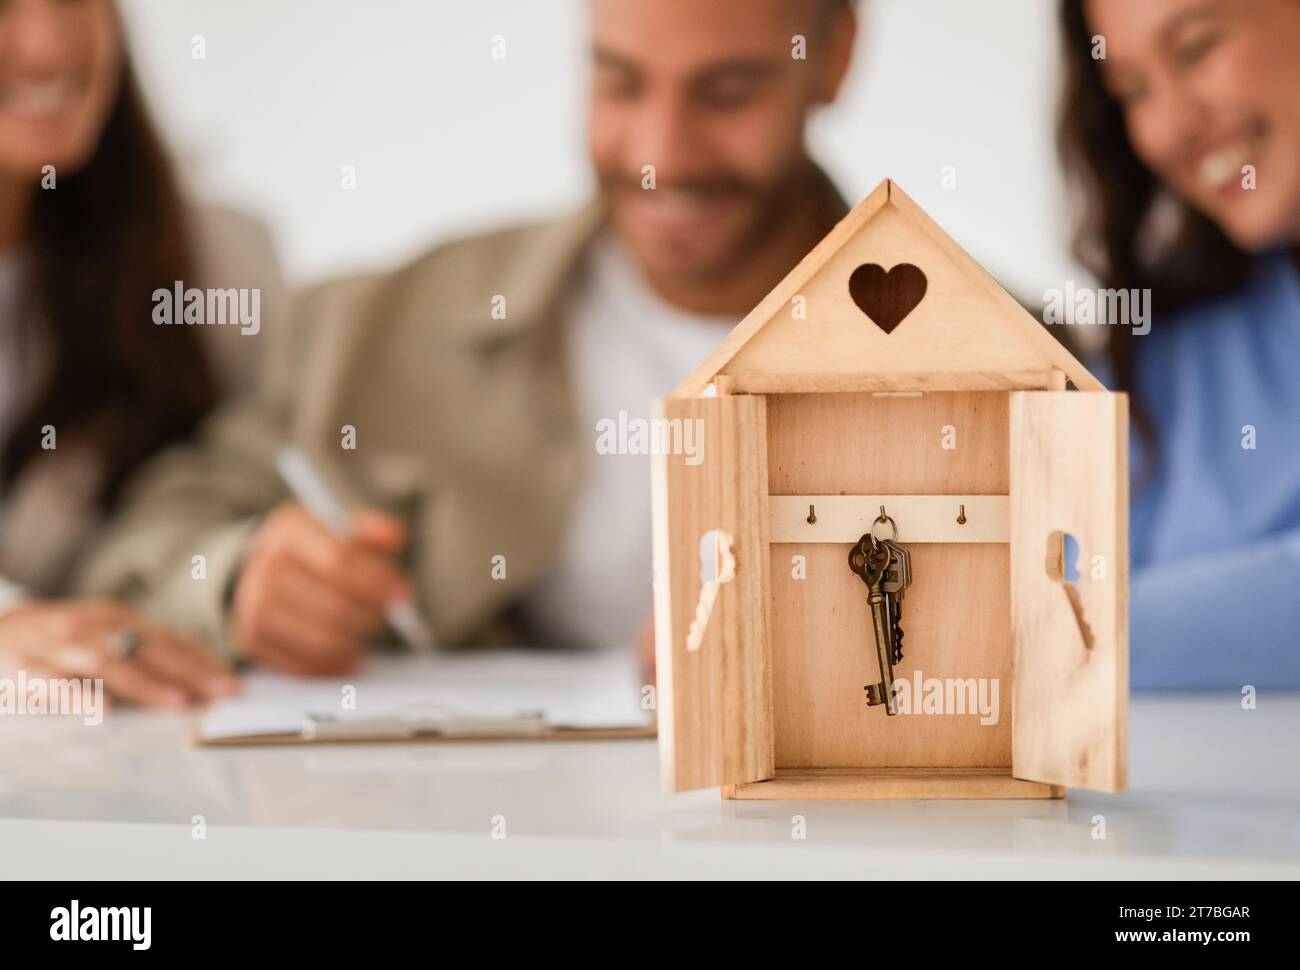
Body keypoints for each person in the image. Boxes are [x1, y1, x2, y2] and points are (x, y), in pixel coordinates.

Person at [76, 0, 859, 675]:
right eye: (619, 83)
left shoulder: (973, 353)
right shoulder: (381, 322)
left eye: (727, 94)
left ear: (834, 59)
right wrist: (237, 580)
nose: (660, 156)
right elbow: (130, 552)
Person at [0, 0, 286, 704]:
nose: (46, 47)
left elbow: (233, 492)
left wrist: (234, 579)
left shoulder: (217, 262)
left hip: (112, 771)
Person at [1059, 0, 1300, 688]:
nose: (1168, 128)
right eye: (1133, 91)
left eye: (1196, 48)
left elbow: (1038, 625)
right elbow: (1039, 577)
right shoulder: (1163, 363)